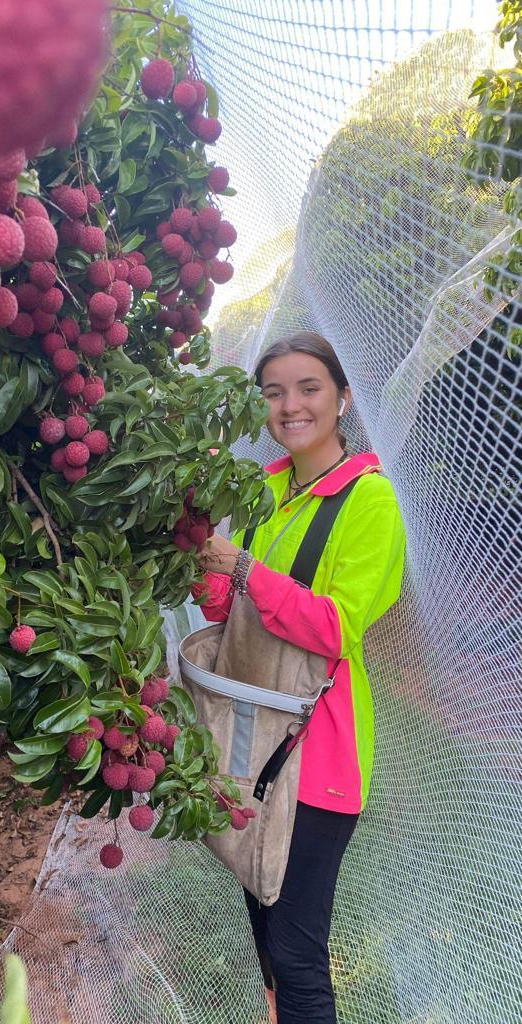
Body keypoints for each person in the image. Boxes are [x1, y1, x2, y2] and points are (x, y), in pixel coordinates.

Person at [193, 331, 405, 1024]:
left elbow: (336, 628)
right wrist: (203, 561)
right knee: (260, 915)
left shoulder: (369, 503)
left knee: (297, 946)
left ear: (342, 396)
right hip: (256, 739)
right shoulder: (269, 488)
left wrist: (245, 569)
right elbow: (231, 612)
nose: (290, 405)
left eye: (308, 387)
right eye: (274, 392)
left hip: (319, 754)